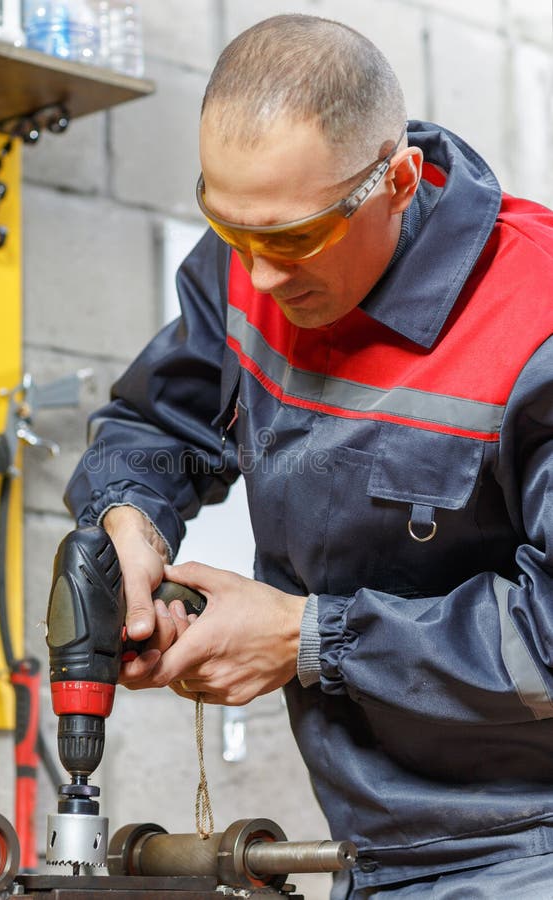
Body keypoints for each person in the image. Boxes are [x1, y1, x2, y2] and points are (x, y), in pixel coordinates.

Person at [64, 14, 553, 899]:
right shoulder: (256, 259)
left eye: (291, 240)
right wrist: (130, 521)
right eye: (227, 227)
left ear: (396, 181)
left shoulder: (536, 323)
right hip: (370, 848)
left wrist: (307, 638)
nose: (257, 278)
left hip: (531, 841)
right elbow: (159, 425)